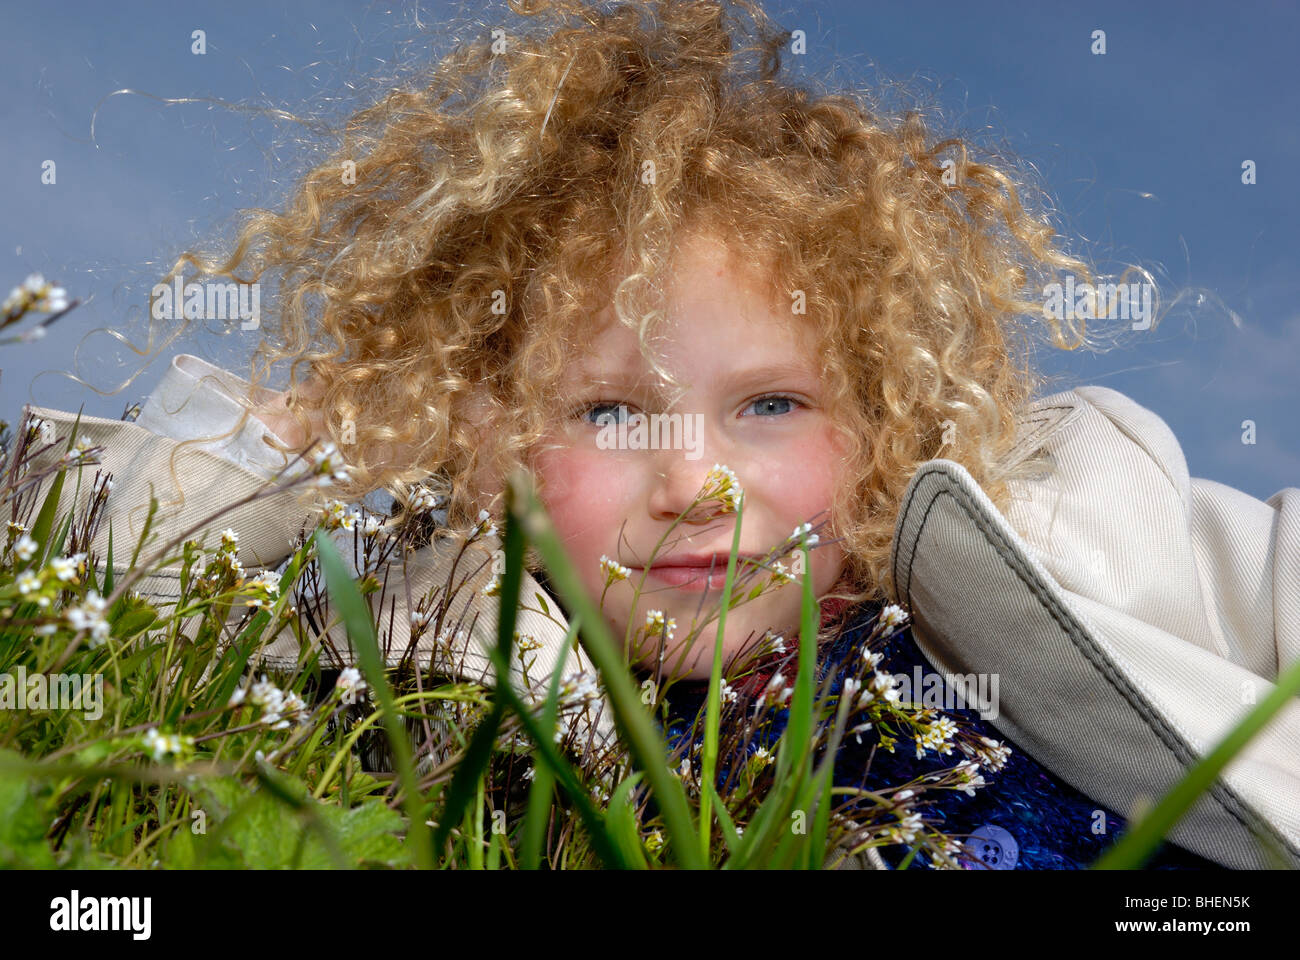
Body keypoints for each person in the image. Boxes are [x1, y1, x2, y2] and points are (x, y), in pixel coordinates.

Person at [21, 0, 1298, 868]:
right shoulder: (459, 633)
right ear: (488, 435)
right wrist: (274, 446)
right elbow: (97, 571)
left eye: (772, 405)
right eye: (609, 411)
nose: (694, 481)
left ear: (886, 419)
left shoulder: (1059, 516)